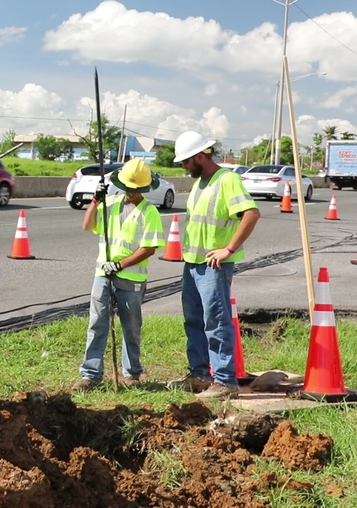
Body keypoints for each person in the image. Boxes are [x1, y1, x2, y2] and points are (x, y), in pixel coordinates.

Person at [166, 131, 260, 399]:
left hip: (213, 266)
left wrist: (229, 248)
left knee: (216, 321)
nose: (183, 168)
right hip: (193, 263)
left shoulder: (227, 180)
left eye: (185, 162)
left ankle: (224, 381)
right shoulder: (199, 183)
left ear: (199, 156)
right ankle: (199, 374)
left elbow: (251, 213)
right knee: (194, 320)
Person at [73, 158, 165, 391]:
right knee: (97, 323)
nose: (131, 193)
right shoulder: (110, 204)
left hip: (131, 279)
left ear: (143, 188)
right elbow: (87, 225)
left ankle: (131, 373)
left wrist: (121, 264)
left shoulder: (149, 212)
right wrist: (95, 200)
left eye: (135, 189)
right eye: (128, 188)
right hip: (103, 274)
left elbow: (149, 247)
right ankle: (90, 375)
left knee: (130, 327)